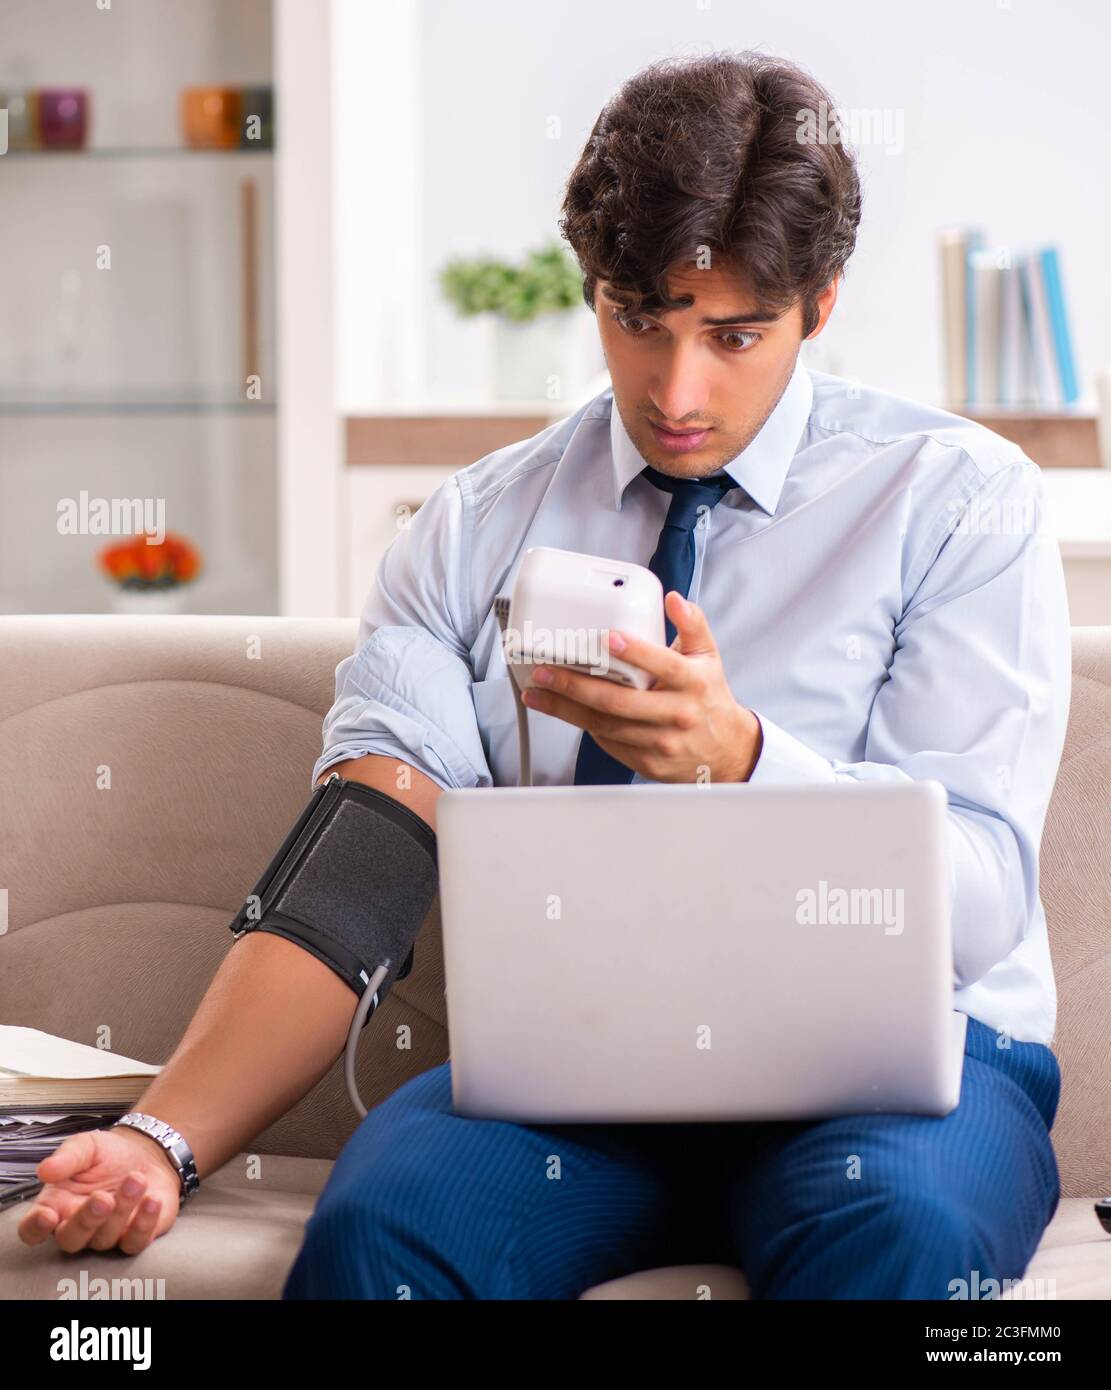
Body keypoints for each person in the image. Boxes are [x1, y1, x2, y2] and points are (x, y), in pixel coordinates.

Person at [19, 50, 1070, 1300]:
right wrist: (159, 1140)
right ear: (591, 291)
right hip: (578, 1081)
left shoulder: (954, 502)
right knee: (380, 1241)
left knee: (895, 1235)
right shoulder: (472, 527)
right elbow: (362, 864)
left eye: (735, 335)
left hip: (906, 1080)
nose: (678, 392)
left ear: (823, 304)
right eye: (639, 322)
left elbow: (983, 895)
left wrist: (736, 761)